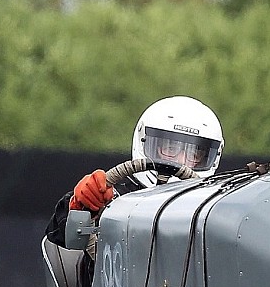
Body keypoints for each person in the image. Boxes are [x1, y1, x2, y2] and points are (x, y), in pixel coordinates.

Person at [44, 95, 224, 248]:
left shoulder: (214, 209)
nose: (181, 162)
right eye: (170, 148)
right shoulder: (116, 197)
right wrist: (81, 206)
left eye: (195, 154)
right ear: (143, 141)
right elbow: (56, 235)